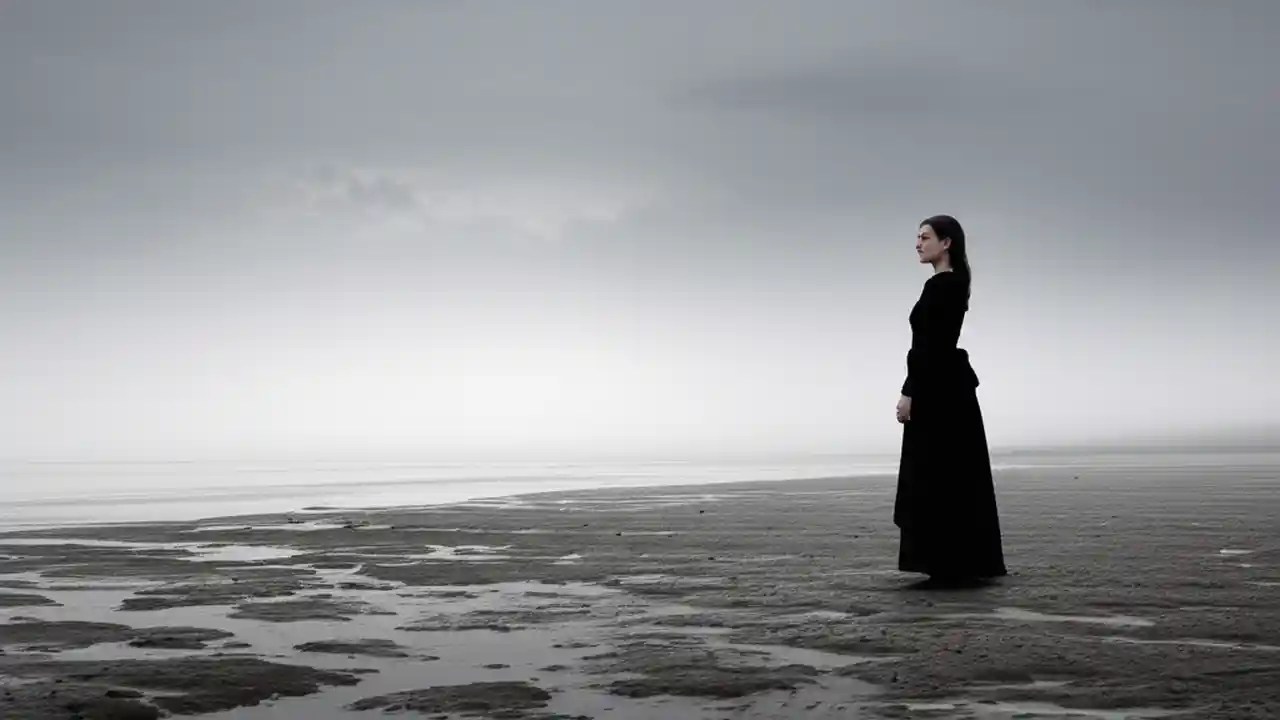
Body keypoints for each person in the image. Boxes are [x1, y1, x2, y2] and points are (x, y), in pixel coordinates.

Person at [894, 215, 1007, 585]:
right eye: (917, 237)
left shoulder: (946, 286)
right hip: (944, 386)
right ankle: (952, 560)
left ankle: (949, 561)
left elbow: (930, 347)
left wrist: (909, 391)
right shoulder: (946, 284)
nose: (917, 243)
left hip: (939, 391)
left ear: (947, 243)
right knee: (947, 472)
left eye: (925, 237)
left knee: (939, 472)